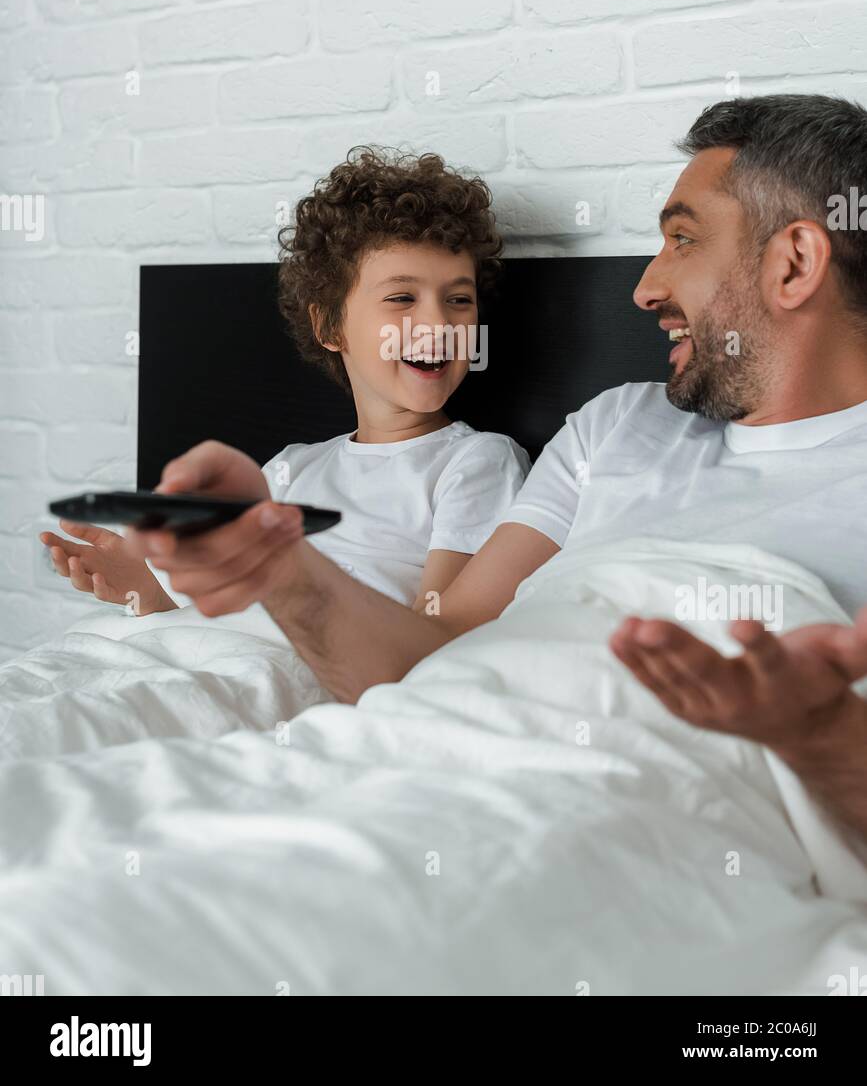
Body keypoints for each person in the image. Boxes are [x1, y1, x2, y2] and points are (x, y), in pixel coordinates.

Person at [132, 94, 867, 845]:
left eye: (682, 240)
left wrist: (821, 739)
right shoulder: (615, 425)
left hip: (627, 820)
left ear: (795, 263)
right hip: (416, 763)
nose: (645, 286)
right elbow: (429, 654)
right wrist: (277, 564)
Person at [39, 148, 529, 623]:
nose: (436, 324)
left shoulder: (478, 462)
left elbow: (433, 632)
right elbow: (210, 603)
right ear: (331, 328)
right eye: (402, 297)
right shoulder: (293, 468)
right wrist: (145, 581)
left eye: (459, 300)